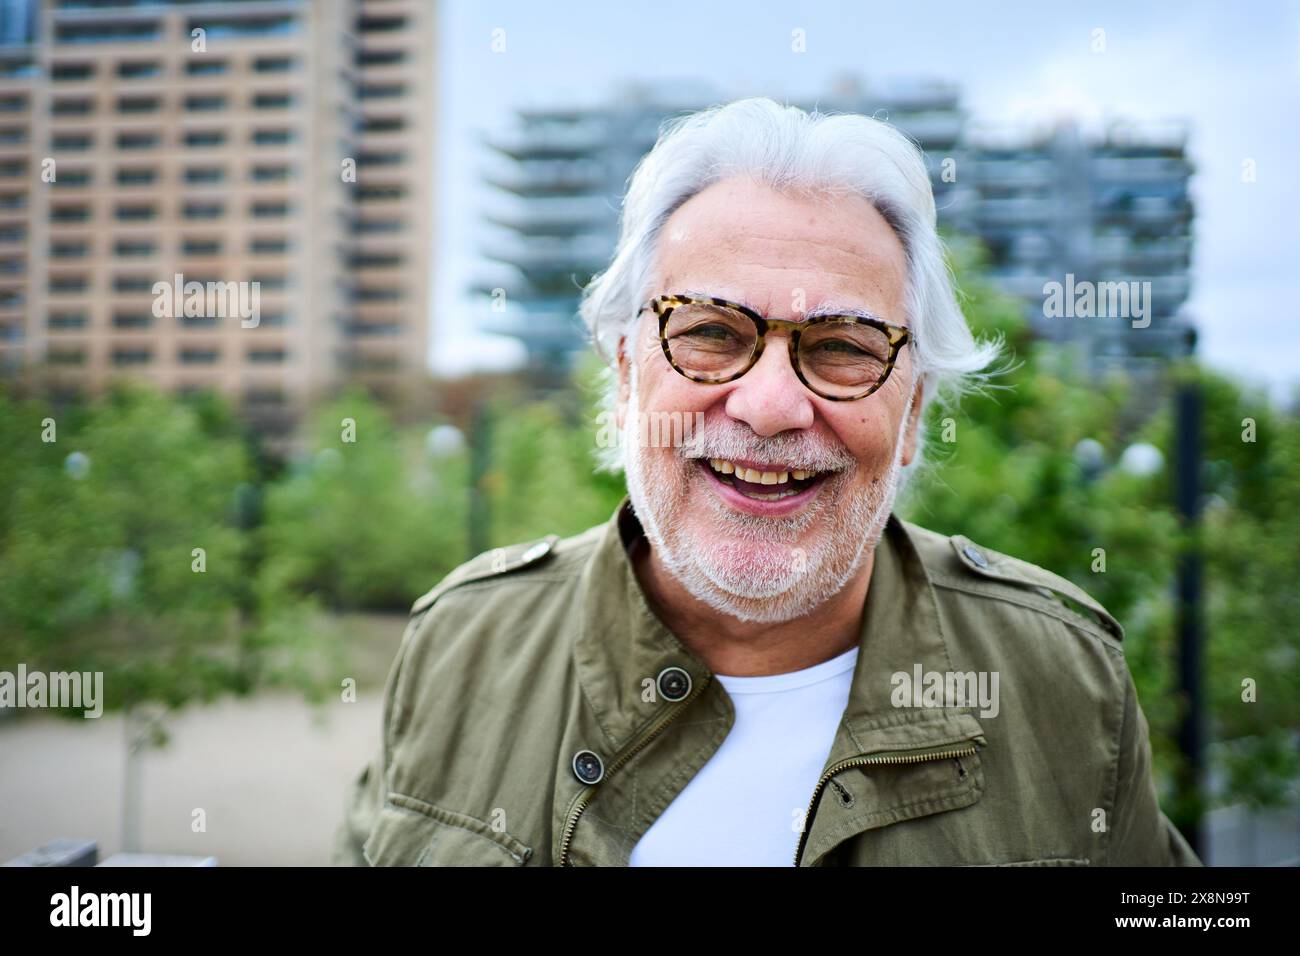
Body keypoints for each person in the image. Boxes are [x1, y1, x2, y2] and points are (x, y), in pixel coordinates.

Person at [333, 97, 1202, 866]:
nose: (772, 405)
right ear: (629, 372)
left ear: (911, 415)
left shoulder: (1065, 679)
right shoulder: (462, 643)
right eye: (711, 331)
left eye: (843, 347)